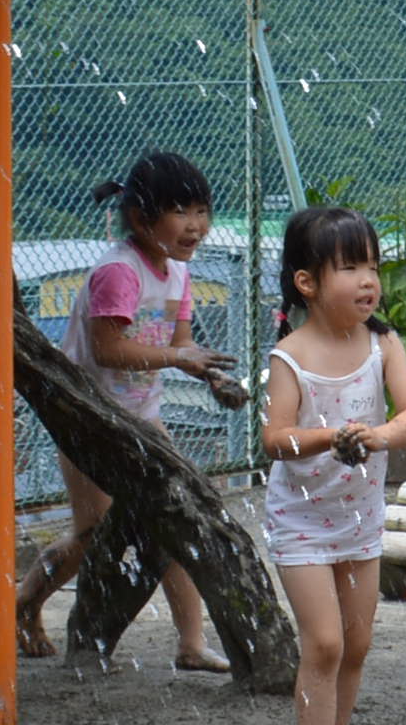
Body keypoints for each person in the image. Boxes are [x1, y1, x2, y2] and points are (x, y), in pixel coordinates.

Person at [16, 151, 248, 668]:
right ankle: (22, 603)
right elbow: (107, 349)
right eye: (182, 212)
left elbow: (183, 346)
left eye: (202, 211)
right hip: (89, 420)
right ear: (143, 218)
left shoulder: (178, 273)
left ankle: (191, 644)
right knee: (92, 531)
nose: (197, 226)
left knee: (177, 518)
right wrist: (177, 356)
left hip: (142, 416)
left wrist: (214, 377)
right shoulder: (120, 272)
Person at [257, 201, 406, 725]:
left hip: (361, 518)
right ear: (307, 283)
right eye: (351, 267)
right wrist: (329, 437)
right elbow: (274, 438)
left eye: (373, 266)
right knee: (325, 642)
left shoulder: (382, 343)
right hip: (301, 520)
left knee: (356, 644)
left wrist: (382, 434)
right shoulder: (290, 355)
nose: (369, 281)